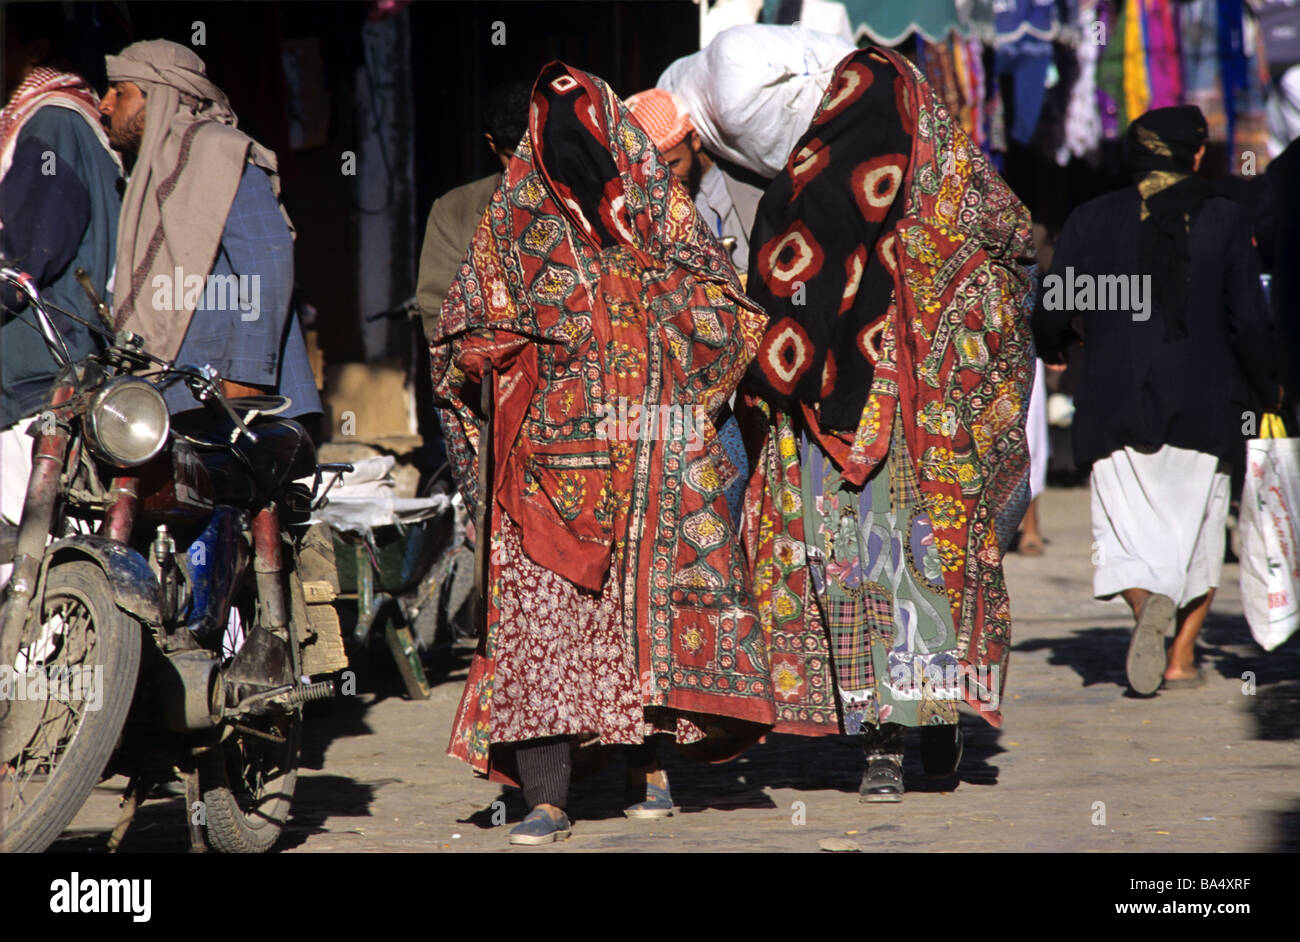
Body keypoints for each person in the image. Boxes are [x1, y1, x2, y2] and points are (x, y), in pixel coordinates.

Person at [430, 62, 819, 845]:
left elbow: (727, 315)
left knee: (641, 619)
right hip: (545, 465)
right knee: (543, 626)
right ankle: (548, 796)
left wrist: (658, 348)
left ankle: (650, 770)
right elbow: (462, 333)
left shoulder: (658, 218)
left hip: (654, 455)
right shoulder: (513, 217)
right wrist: (504, 353)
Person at [740, 46, 1036, 800]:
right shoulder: (960, 189)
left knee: (862, 577)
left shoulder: (801, 189)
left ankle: (900, 737)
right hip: (918, 426)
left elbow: (772, 304)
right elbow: (1012, 265)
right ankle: (914, 731)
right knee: (907, 574)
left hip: (856, 424)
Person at [1033, 105, 1282, 694]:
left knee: (1124, 538)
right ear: (1194, 155)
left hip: (1113, 401)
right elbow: (1248, 321)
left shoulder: (1090, 219)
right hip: (1205, 404)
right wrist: (1269, 386)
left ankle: (1147, 602)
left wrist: (1056, 346)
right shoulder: (1225, 217)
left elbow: (1052, 307)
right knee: (1197, 539)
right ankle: (1181, 659)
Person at [97, 39, 319, 419]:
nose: (105, 104)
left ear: (160, 96)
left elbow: (266, 261)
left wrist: (246, 375)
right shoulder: (146, 176)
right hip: (166, 399)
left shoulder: (220, 152)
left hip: (226, 398)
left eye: (120, 92)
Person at [0, 5, 122, 578]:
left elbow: (25, 259)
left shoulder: (50, 122)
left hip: (38, 375)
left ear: (35, 48)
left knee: (29, 557)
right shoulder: (67, 120)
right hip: (52, 369)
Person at [415, 80, 530, 343]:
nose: (527, 169)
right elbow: (438, 315)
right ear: (492, 144)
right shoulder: (454, 212)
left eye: (536, 155)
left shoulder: (585, 203)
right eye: (513, 157)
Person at [623, 87, 762, 273]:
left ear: (695, 140)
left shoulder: (749, 186)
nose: (665, 181)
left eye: (673, 164)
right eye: (653, 174)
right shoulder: (648, 214)